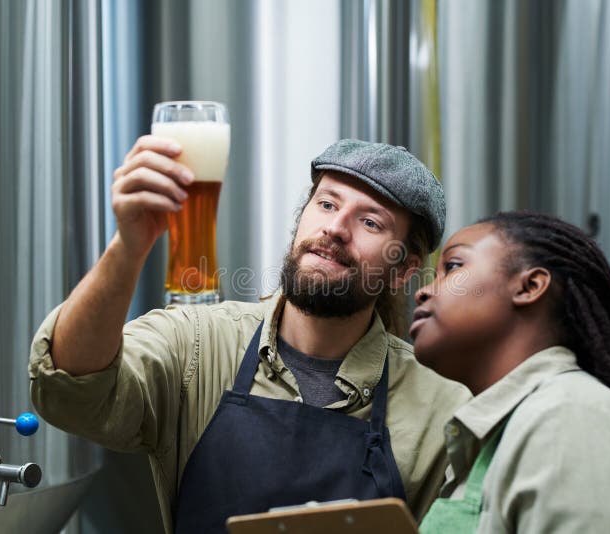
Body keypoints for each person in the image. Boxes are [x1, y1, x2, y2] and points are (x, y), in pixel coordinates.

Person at [28, 137, 470, 533]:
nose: (335, 228)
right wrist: (129, 244)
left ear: (404, 271)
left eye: (370, 222)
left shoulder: (442, 407)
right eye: (328, 204)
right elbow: (70, 393)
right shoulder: (198, 342)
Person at [411, 212, 610, 533]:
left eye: (454, 267)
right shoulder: (507, 434)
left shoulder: (569, 417)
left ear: (530, 286)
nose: (423, 291)